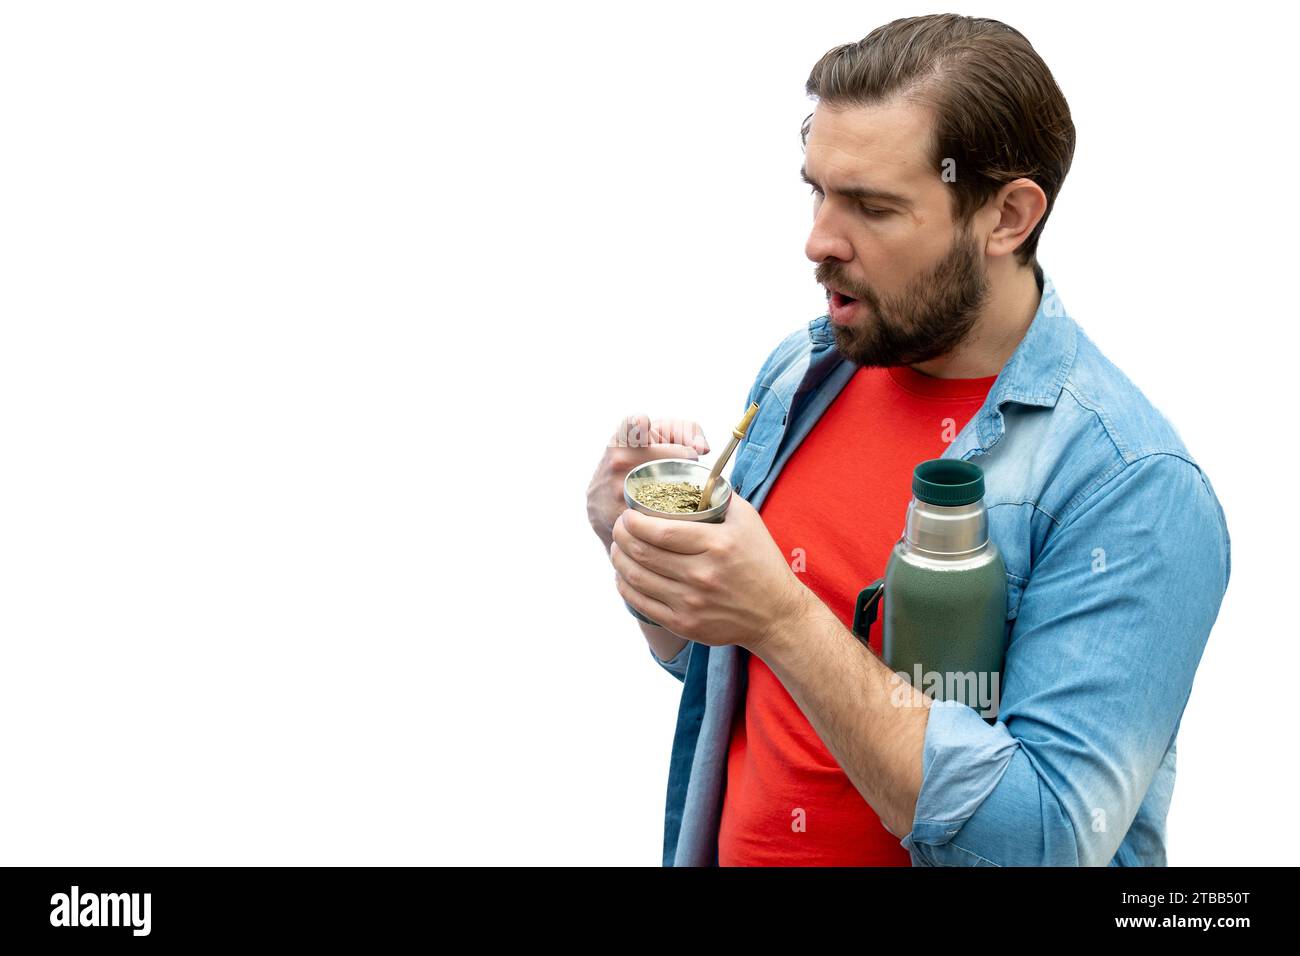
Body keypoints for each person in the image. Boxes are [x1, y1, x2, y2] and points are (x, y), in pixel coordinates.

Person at [584, 13, 1230, 867]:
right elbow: (733, 681)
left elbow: (1038, 843)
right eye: (817, 190)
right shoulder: (804, 371)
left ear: (1008, 216)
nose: (818, 241)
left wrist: (783, 617)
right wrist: (648, 555)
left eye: (873, 208)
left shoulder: (1132, 485)